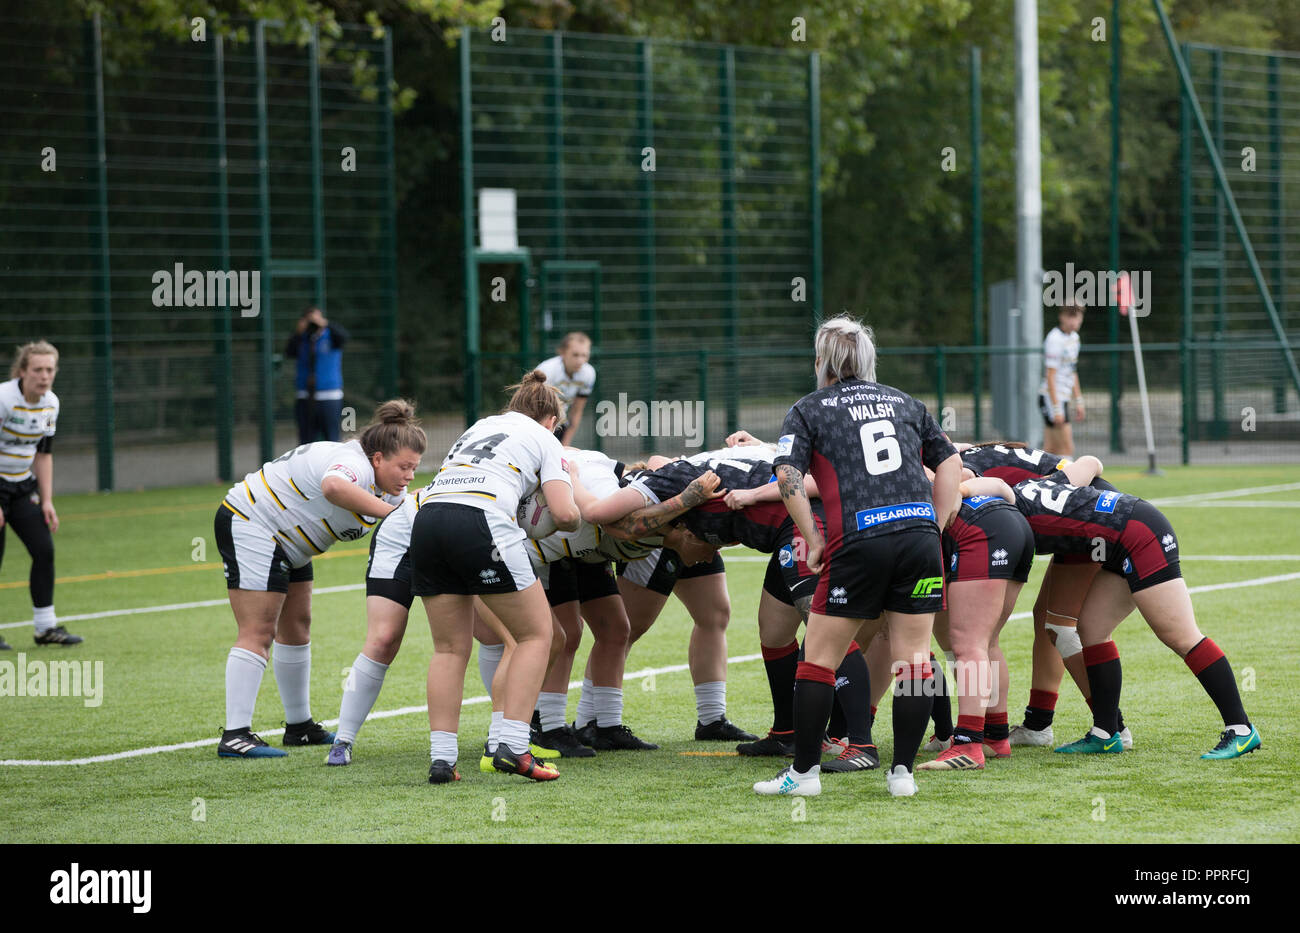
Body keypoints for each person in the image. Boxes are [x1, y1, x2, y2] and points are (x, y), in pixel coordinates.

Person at [755, 314, 962, 799]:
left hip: (859, 539)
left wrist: (813, 536)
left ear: (821, 361)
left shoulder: (810, 408)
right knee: (914, 660)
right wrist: (936, 520)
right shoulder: (905, 401)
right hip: (918, 538)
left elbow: (787, 475)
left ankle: (804, 776)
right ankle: (902, 775)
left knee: (819, 660)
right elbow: (951, 461)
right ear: (869, 360)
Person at [1007, 462, 1260, 759]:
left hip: (1139, 533)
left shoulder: (1003, 515)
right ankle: (1105, 732)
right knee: (1091, 628)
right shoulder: (1020, 491)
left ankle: (1241, 728)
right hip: (1117, 537)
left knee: (1178, 634)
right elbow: (1087, 465)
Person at [215, 400, 423, 758]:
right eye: (403, 466)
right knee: (259, 631)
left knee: (297, 627)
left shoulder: (391, 487)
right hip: (253, 523)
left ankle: (299, 727)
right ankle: (235, 735)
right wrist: (393, 513)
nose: (409, 476)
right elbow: (333, 487)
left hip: (289, 541)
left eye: (414, 468)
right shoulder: (353, 464)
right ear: (377, 459)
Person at [412, 371, 580, 784]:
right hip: (481, 521)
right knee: (538, 636)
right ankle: (513, 746)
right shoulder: (546, 439)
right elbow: (565, 513)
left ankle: (442, 760)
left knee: (449, 649)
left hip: (427, 519)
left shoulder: (481, 426)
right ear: (549, 420)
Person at [0, 341, 81, 648]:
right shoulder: (3, 399)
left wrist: (47, 500)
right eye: (38, 369)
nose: (44, 376)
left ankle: (45, 628)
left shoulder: (51, 405)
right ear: (22, 371)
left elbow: (43, 454)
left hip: (23, 487)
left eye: (50, 369)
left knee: (44, 550)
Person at [285, 306, 350, 446]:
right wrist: (298, 332)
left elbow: (344, 337)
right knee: (305, 442)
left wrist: (324, 323)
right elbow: (289, 352)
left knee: (332, 439)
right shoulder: (301, 339)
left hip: (329, 395)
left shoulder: (332, 335)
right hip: (305, 396)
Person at [1039, 304, 1085, 456]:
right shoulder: (1054, 339)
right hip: (1052, 398)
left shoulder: (1075, 338)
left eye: (1076, 316)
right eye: (1069, 315)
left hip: (1063, 398)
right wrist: (1056, 408)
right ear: (1062, 317)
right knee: (1067, 448)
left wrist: (1078, 400)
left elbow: (1072, 371)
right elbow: (1050, 376)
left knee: (1050, 449)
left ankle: (1038, 479)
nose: (1073, 321)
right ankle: (1069, 479)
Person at [535, 332, 595, 445]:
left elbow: (577, 410)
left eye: (584, 355)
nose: (580, 361)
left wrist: (565, 443)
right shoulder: (547, 370)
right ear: (562, 352)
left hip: (559, 425)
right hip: (537, 424)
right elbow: (532, 405)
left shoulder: (589, 373)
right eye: (575, 355)